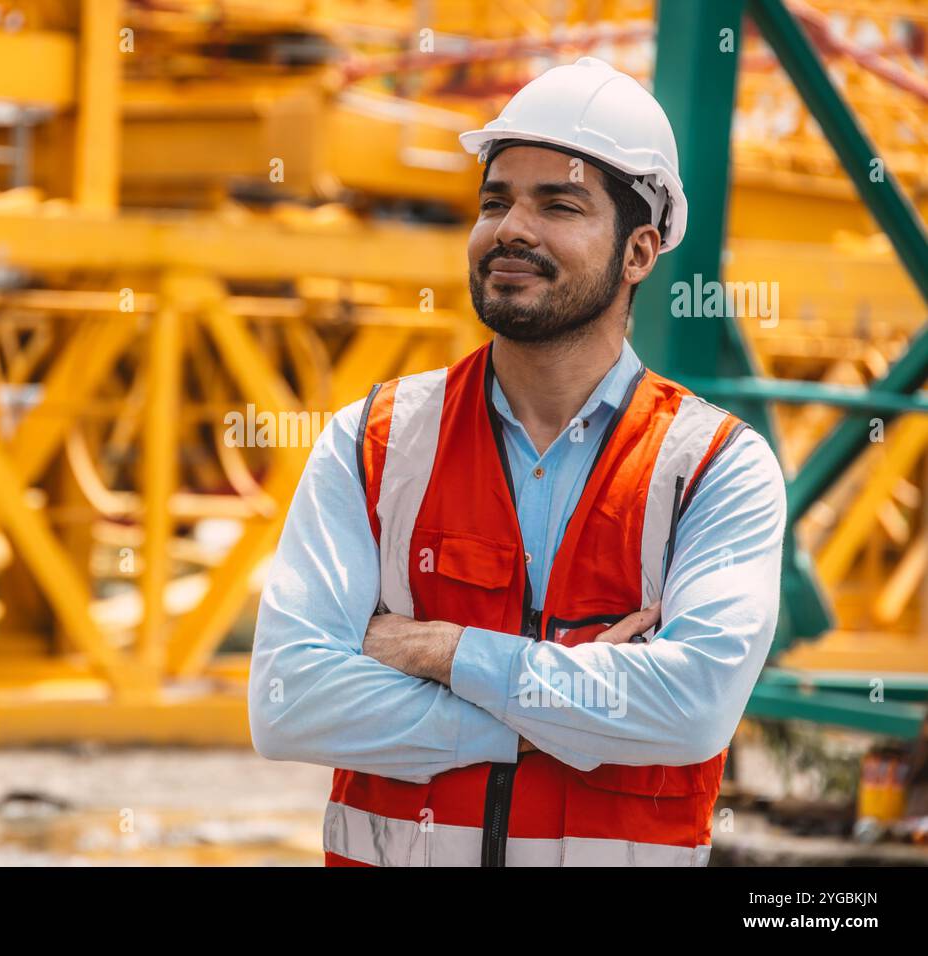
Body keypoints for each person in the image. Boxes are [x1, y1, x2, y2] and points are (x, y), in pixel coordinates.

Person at [248, 57, 786, 867]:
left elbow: (693, 708)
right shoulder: (376, 441)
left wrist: (438, 652)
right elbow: (288, 705)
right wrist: (568, 714)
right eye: (494, 201)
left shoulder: (714, 469)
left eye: (558, 204)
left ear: (639, 253)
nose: (511, 229)